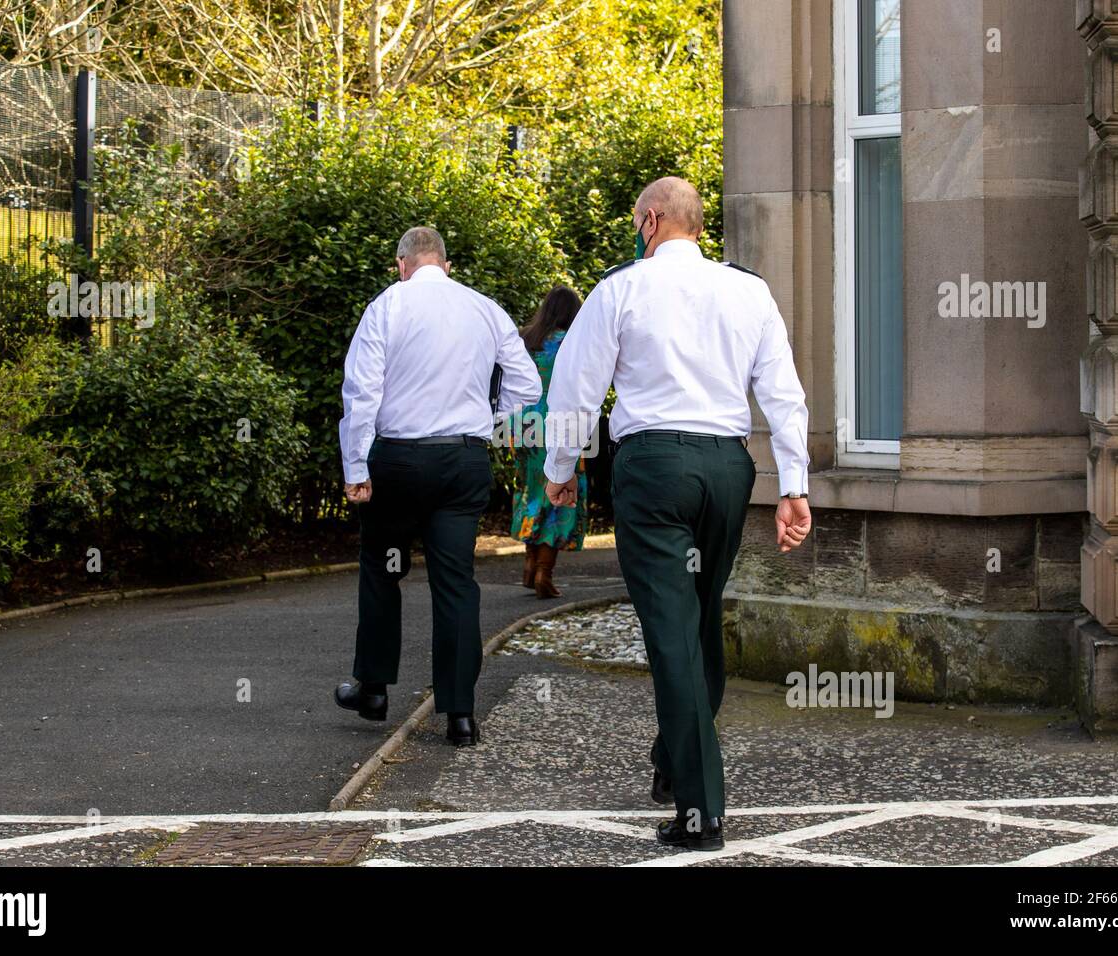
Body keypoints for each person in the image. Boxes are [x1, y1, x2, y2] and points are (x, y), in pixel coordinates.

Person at [543, 177, 813, 850]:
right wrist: (795, 485)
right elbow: (783, 391)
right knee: (697, 620)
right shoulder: (748, 291)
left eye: (638, 219)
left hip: (654, 467)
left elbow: (576, 386)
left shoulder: (621, 289)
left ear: (651, 220)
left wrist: (560, 469)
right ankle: (674, 758)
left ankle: (700, 811)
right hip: (726, 468)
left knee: (670, 633)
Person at [335, 226, 541, 747]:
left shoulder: (388, 306)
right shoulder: (484, 308)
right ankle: (460, 715)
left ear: (402, 263)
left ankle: (375, 689)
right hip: (462, 461)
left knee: (382, 571)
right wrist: (486, 423)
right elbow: (526, 385)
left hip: (399, 462)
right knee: (456, 584)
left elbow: (362, 391)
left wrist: (356, 467)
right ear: (445, 265)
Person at [510, 286, 588, 598]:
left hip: (524, 426)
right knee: (561, 492)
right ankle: (544, 568)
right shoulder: (574, 343)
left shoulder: (525, 340)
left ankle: (529, 566)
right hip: (563, 422)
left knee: (530, 490)